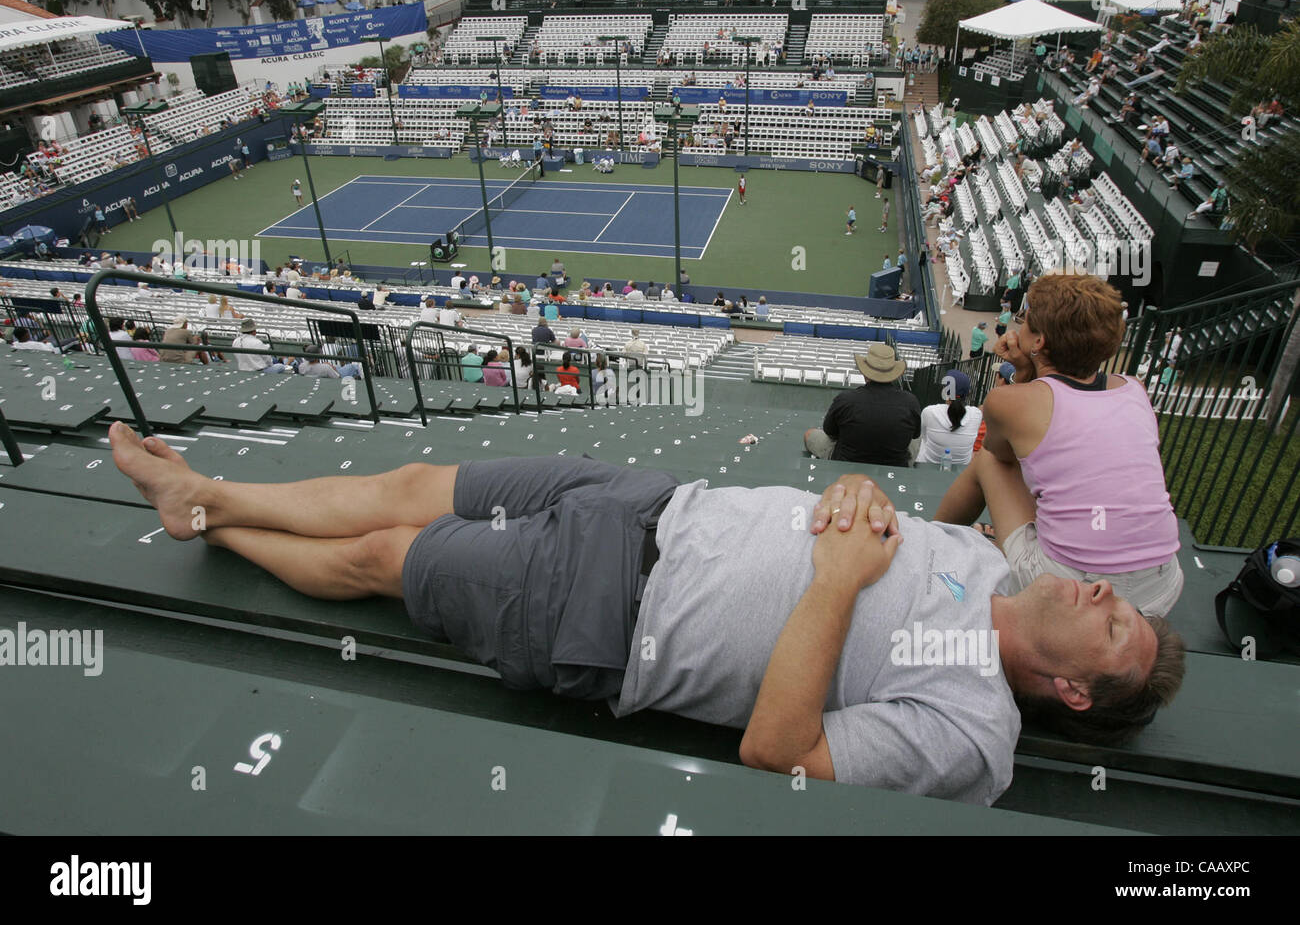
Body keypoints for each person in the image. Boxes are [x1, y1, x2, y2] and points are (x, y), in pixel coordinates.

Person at [106, 423, 1187, 804]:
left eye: (1112, 624)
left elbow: (781, 751)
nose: (1100, 592)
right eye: (1110, 596)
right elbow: (853, 513)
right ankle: (212, 488)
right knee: (411, 480)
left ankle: (208, 520)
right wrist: (852, 498)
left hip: (613, 614)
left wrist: (838, 580)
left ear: (1075, 687)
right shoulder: (979, 561)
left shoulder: (973, 733)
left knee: (389, 557)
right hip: (648, 503)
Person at [934, 274, 1184, 616]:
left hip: (1071, 592)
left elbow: (1003, 452)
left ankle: (932, 543)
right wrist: (1030, 367)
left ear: (1038, 341)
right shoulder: (1134, 388)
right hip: (1160, 587)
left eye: (1025, 321)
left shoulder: (1008, 402)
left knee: (986, 461)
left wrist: (1021, 372)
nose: (1018, 326)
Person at [803, 344, 921, 467]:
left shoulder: (845, 399)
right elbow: (915, 435)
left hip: (845, 460)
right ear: (893, 374)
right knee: (917, 438)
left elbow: (830, 431)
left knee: (809, 434)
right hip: (896, 463)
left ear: (865, 373)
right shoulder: (911, 402)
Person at [916, 370, 982, 467]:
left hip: (928, 464)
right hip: (962, 469)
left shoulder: (929, 411)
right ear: (968, 393)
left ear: (944, 391)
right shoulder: (977, 414)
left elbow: (924, 436)